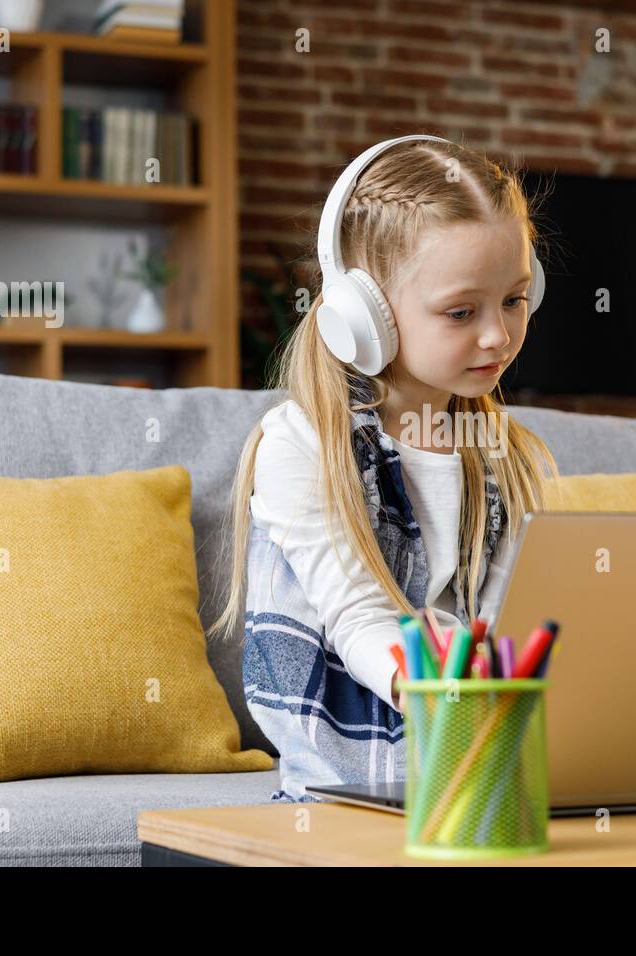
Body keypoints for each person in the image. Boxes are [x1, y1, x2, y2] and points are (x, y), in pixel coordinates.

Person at [208, 136, 561, 801]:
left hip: (483, 771)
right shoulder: (303, 446)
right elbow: (357, 618)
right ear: (362, 316)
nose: (497, 335)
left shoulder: (508, 455)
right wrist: (448, 688)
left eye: (514, 300)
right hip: (348, 784)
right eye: (461, 312)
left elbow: (510, 625)